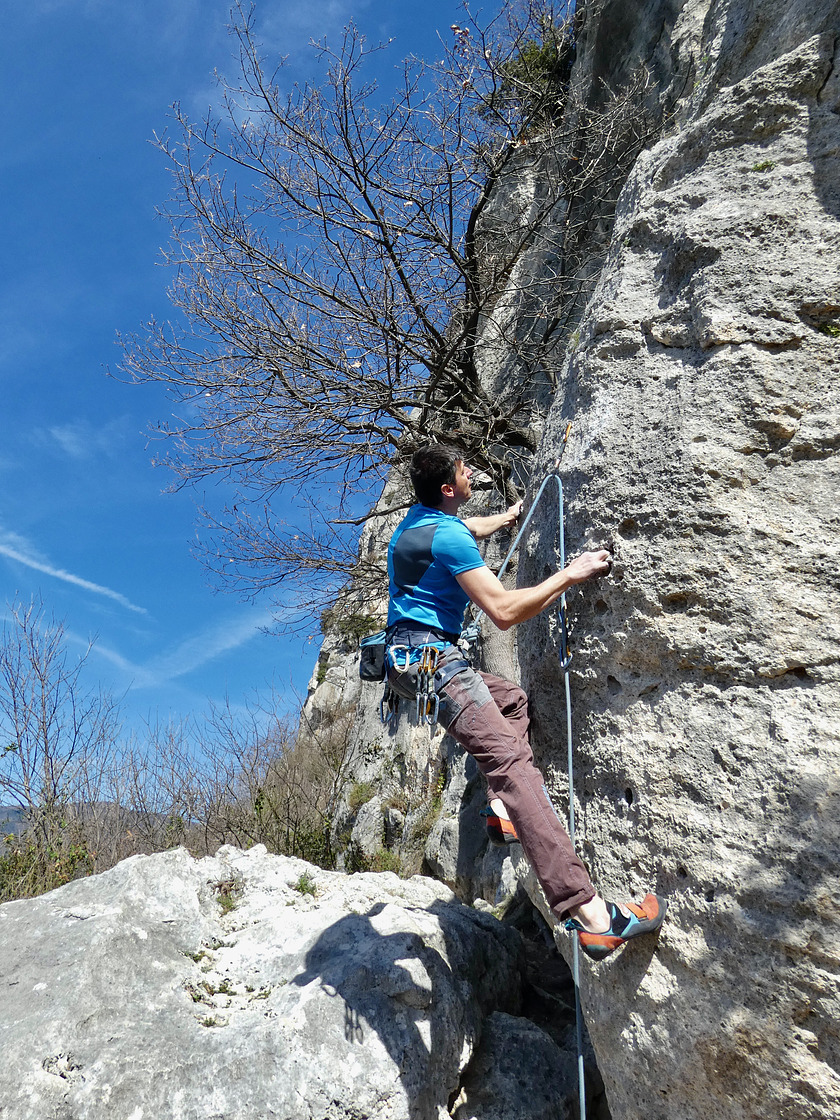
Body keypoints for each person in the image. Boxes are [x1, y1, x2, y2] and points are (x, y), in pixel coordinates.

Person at [385, 443, 666, 961]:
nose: (471, 474)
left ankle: (500, 811)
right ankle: (592, 915)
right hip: (435, 663)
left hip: (408, 667)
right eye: (465, 470)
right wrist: (569, 574)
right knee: (515, 770)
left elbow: (472, 528)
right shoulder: (446, 535)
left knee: (511, 701)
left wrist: (512, 515)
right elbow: (504, 611)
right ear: (449, 488)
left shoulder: (417, 524)